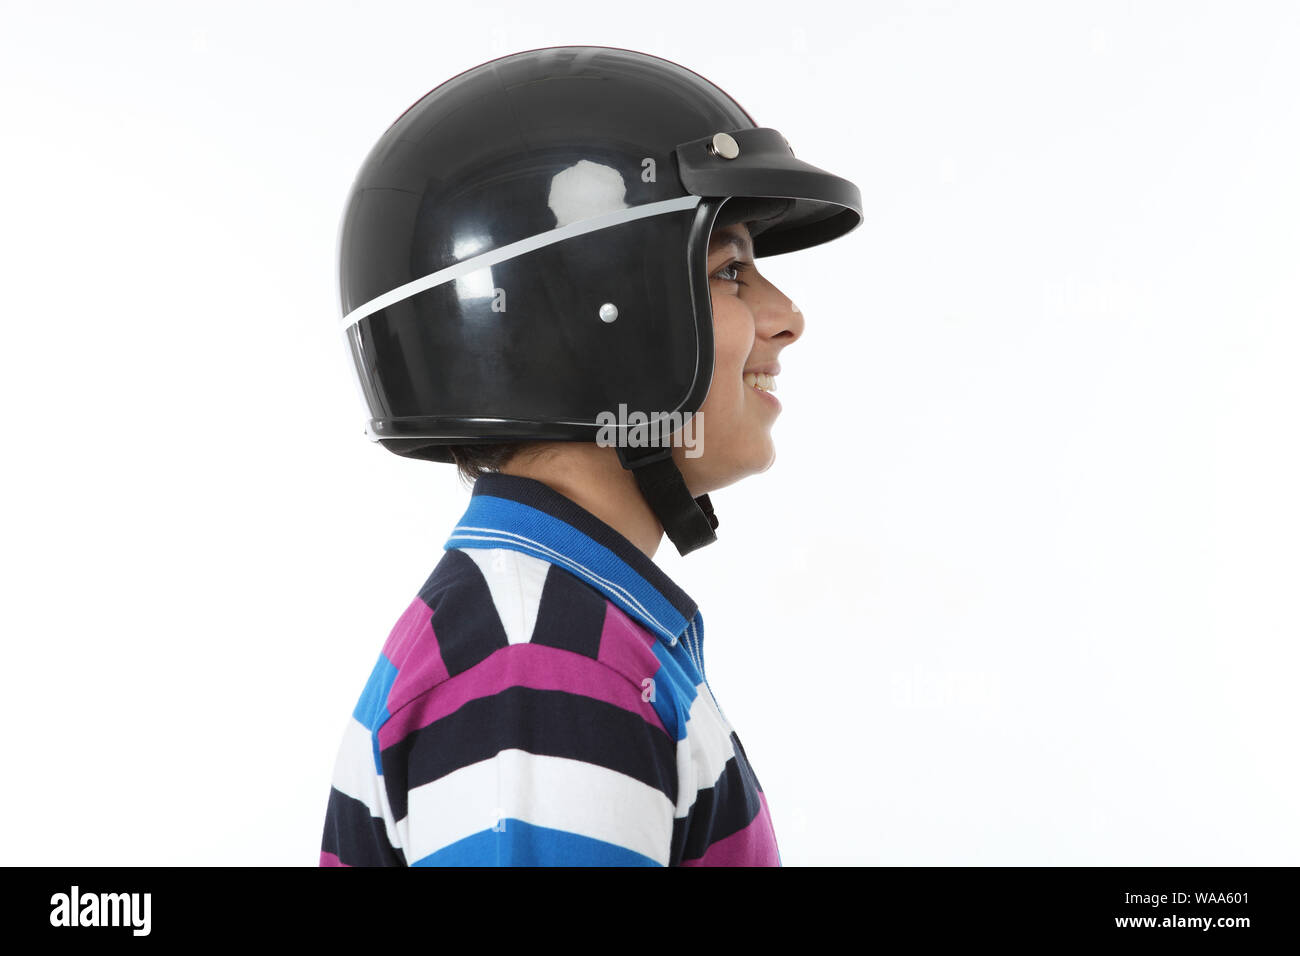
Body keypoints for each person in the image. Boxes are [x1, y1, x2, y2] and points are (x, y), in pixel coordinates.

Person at [320, 45, 862, 866]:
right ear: (594, 326)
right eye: (730, 270)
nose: (787, 317)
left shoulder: (555, 629)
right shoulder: (538, 672)